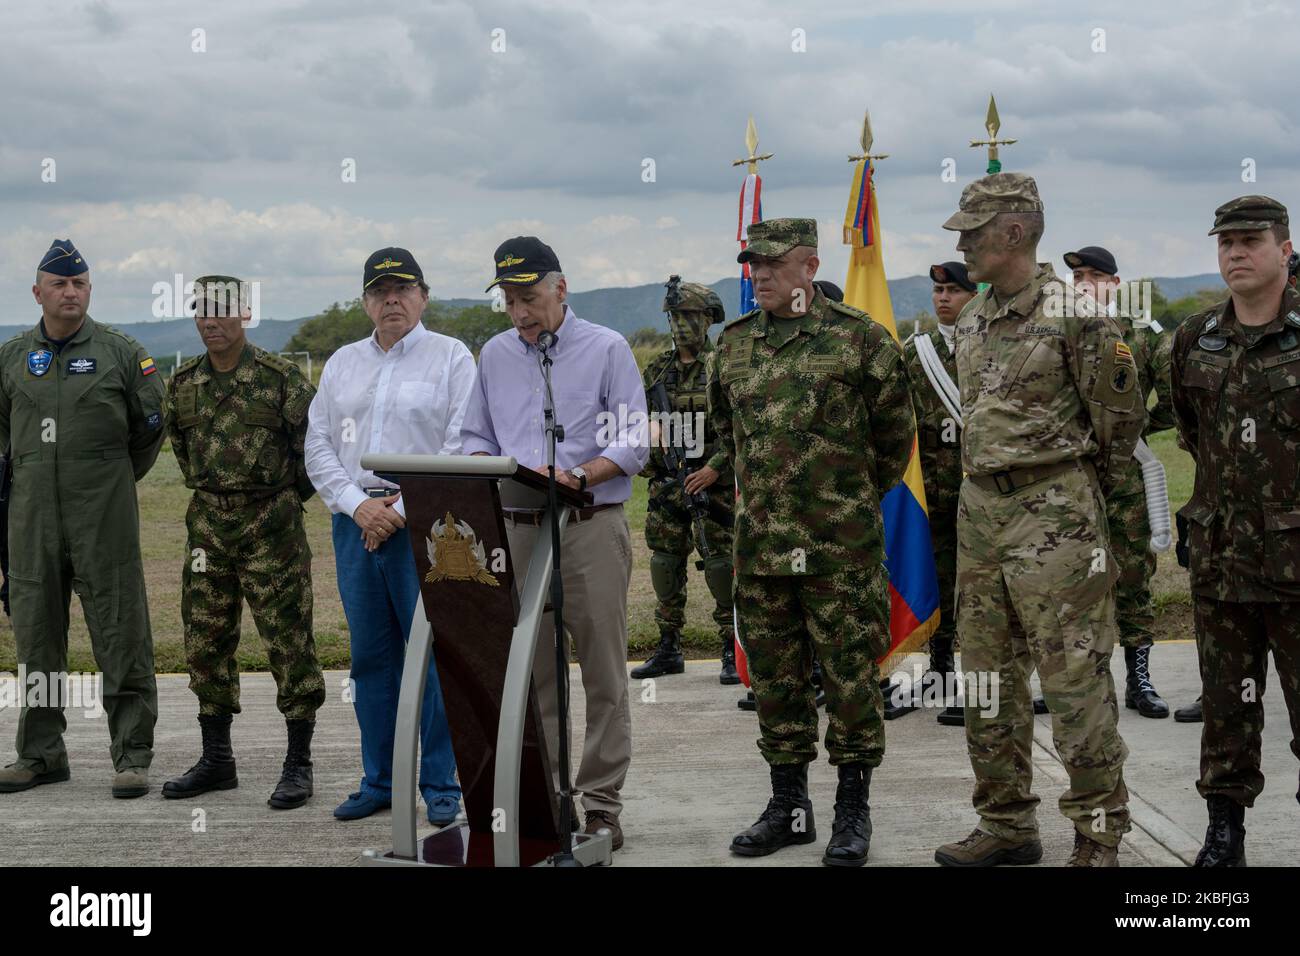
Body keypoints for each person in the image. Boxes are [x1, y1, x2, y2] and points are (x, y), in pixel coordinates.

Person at [932, 174, 1143, 867]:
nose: (961, 241)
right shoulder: (971, 316)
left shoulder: (1075, 315)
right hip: (980, 511)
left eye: (972, 229)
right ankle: (1006, 825)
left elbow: (1119, 426)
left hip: (1056, 512)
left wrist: (1076, 502)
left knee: (1072, 675)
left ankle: (1098, 834)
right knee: (986, 674)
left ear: (1014, 232)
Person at [709, 218, 914, 867]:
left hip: (840, 553)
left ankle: (852, 811)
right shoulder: (734, 346)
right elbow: (729, 436)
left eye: (773, 264)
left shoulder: (861, 341)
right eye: (753, 264)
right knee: (778, 685)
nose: (760, 275)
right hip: (763, 552)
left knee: (851, 683)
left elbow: (894, 442)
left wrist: (839, 505)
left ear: (809, 266)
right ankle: (789, 808)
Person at [460, 236, 649, 851]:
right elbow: (472, 439)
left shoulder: (607, 348)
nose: (520, 313)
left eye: (530, 298)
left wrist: (578, 475)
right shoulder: (493, 355)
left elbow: (634, 442)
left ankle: (600, 806)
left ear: (561, 289)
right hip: (517, 532)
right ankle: (544, 801)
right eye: (510, 301)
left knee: (602, 673)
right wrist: (496, 464)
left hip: (589, 525)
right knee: (531, 674)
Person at [305, 248, 474, 824]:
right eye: (380, 291)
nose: (391, 299)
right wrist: (358, 507)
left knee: (433, 657)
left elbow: (461, 443)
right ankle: (381, 780)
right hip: (355, 527)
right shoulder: (341, 364)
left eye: (403, 288)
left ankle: (439, 784)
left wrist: (403, 506)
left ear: (424, 296)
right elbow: (318, 446)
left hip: (425, 528)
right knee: (371, 660)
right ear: (365, 303)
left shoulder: (451, 358)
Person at [0, 240, 165, 799]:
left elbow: (149, 429)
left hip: (104, 518)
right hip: (31, 522)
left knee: (121, 633)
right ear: (38, 292)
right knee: (38, 641)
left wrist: (106, 480)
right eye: (59, 284)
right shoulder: (13, 357)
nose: (70, 292)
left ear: (89, 290)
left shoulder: (123, 352)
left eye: (80, 284)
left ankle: (132, 755)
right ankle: (41, 754)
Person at [1170, 195, 1300, 866]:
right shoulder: (1197, 338)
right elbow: (1192, 433)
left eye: (1251, 240)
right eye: (1225, 243)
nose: (1235, 253)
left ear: (1285, 248)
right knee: (1227, 708)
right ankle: (1225, 836)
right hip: (1222, 561)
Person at [162, 275, 325, 809]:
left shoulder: (281, 381)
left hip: (271, 526)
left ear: (244, 314)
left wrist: (272, 498)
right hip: (207, 527)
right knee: (205, 642)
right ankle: (217, 761)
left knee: (288, 641)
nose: (211, 321)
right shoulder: (182, 382)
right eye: (201, 312)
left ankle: (298, 764)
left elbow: (311, 455)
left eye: (221, 311)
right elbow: (183, 452)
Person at [1066, 246, 1174, 718]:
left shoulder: (1142, 337)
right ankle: (1078, 682)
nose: (1081, 284)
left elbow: (1173, 398)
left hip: (1126, 481)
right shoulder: (1057, 336)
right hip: (1072, 479)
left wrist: (1135, 431)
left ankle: (1139, 679)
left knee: (1132, 578)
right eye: (1076, 277)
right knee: (1074, 580)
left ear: (1113, 284)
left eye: (1091, 276)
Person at [633, 279, 737, 685]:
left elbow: (739, 426)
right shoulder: (657, 369)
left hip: (713, 485)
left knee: (720, 566)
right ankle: (668, 647)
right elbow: (637, 421)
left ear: (708, 319)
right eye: (674, 317)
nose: (679, 325)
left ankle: (731, 647)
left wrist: (714, 467)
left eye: (689, 316)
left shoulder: (723, 365)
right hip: (667, 485)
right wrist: (647, 458)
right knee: (664, 564)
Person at [904, 262, 977, 726]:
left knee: (982, 589)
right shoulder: (917, 353)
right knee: (939, 580)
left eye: (954, 290)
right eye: (938, 290)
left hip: (983, 489)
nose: (943, 298)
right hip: (930, 490)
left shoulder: (991, 345)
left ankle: (985, 678)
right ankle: (941, 673)